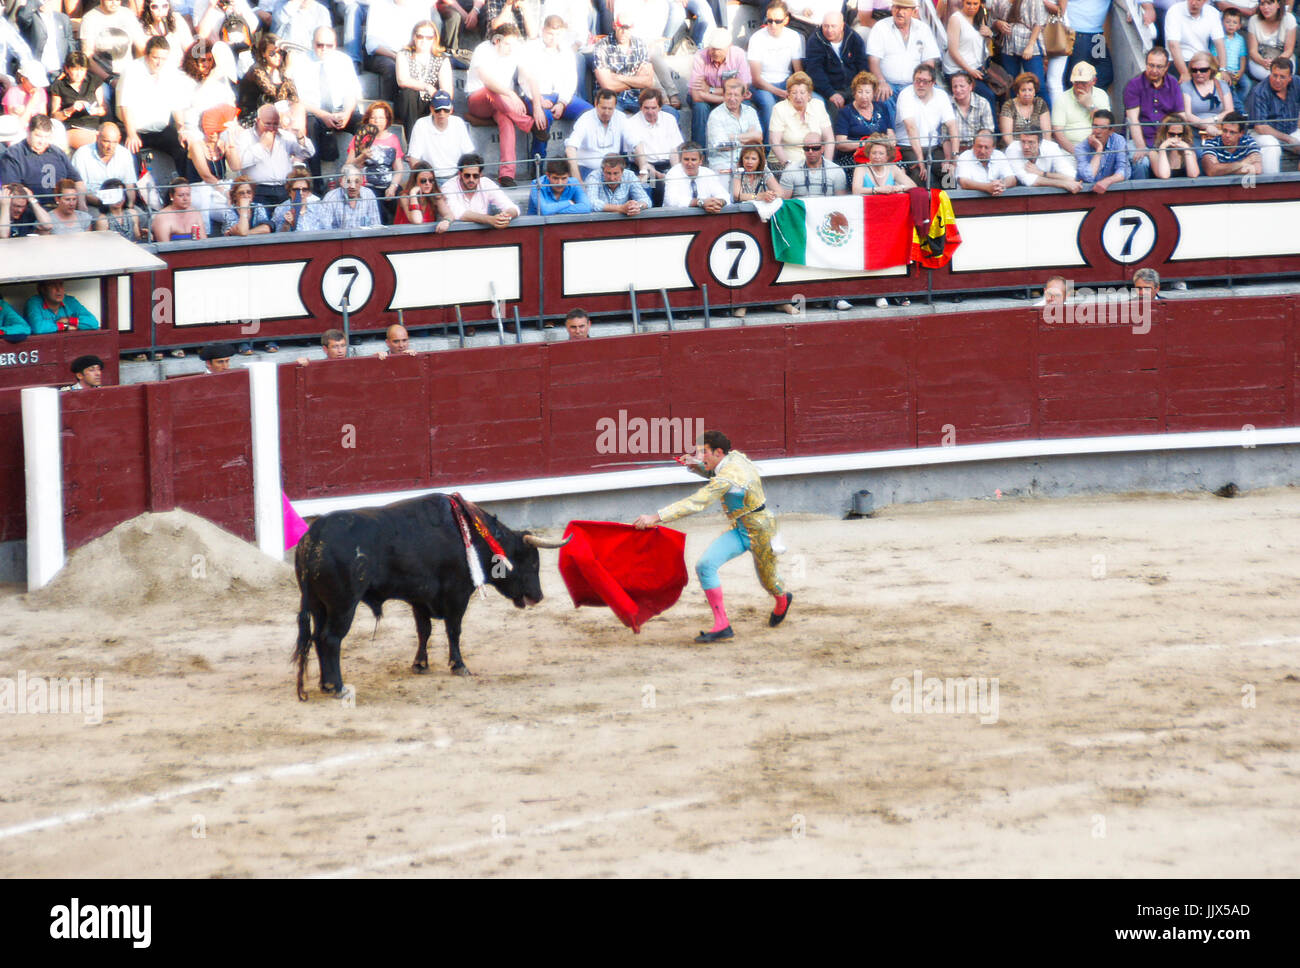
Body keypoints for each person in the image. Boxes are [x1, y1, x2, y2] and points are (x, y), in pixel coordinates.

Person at [632, 429, 792, 643]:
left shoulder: (728, 476)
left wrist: (656, 516)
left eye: (703, 452)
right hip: (740, 529)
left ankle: (782, 600)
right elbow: (716, 472)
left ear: (718, 452)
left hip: (762, 530)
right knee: (705, 565)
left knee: (770, 582)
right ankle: (722, 624)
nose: (700, 456)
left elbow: (697, 501)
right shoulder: (732, 458)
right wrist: (697, 465)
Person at [465, 24, 531, 187]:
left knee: (506, 122)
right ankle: (527, 123)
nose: (511, 48)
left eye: (513, 44)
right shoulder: (483, 49)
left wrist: (536, 102)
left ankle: (506, 175)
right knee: (491, 90)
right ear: (496, 41)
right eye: (508, 44)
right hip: (479, 99)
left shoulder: (514, 53)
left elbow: (529, 77)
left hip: (501, 104)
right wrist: (510, 94)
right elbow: (487, 81)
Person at [521, 14, 594, 161]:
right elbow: (525, 80)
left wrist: (562, 103)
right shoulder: (531, 48)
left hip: (560, 96)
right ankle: (538, 162)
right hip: (535, 96)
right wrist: (538, 101)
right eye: (550, 34)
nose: (553, 38)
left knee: (589, 113)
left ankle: (579, 156)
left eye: (558, 34)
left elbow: (570, 81)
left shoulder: (567, 52)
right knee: (544, 118)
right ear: (543, 31)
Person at [294, 27, 364, 177]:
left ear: (335, 44)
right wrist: (324, 115)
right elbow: (299, 100)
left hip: (340, 109)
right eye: (320, 45)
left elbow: (351, 93)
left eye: (329, 45)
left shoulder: (343, 60)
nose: (324, 49)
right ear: (313, 43)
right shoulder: (301, 61)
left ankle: (351, 168)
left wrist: (346, 113)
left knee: (365, 124)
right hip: (315, 112)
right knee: (310, 125)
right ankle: (316, 181)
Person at [230, 102, 316, 207]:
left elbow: (308, 153)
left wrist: (299, 136)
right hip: (258, 190)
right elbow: (240, 163)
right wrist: (262, 146)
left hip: (284, 189)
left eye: (275, 124)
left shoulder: (284, 135)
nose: (271, 128)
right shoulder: (245, 137)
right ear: (257, 121)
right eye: (268, 123)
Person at [1124, 46, 1189, 180]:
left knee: (1195, 155)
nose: (1154, 70)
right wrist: (1141, 147)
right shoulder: (1134, 85)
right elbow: (1133, 120)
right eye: (1150, 65)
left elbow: (1180, 117)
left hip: (1168, 138)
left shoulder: (1173, 84)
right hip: (1143, 138)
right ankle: (1140, 196)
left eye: (1159, 66)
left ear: (1167, 66)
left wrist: (1179, 140)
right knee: (1140, 162)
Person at [687, 28, 753, 146]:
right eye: (712, 48)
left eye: (719, 49)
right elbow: (697, 95)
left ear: (730, 46)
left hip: (712, 94)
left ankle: (743, 152)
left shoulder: (738, 55)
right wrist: (729, 96)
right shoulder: (700, 56)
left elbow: (742, 90)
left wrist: (710, 90)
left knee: (746, 107)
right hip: (706, 99)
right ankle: (699, 152)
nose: (715, 53)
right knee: (700, 107)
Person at [748, 1, 806, 137]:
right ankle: (769, 150)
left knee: (815, 100)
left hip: (786, 81)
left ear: (786, 20)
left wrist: (797, 90)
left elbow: (798, 71)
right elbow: (756, 79)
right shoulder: (757, 38)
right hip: (763, 84)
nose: (773, 25)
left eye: (777, 21)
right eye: (769, 21)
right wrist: (779, 92)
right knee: (769, 106)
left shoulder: (794, 37)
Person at [894, 63, 958, 184]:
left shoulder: (941, 95)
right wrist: (920, 159)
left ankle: (948, 202)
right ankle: (925, 203)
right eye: (918, 81)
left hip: (933, 146)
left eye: (925, 81)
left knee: (948, 174)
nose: (921, 85)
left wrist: (954, 157)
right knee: (920, 174)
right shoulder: (906, 94)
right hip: (908, 147)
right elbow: (911, 128)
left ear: (933, 83)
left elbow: (952, 126)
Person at [0, 114, 85, 205]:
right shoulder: (13, 155)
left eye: (46, 137)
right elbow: (13, 189)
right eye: (38, 136)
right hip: (30, 209)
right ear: (28, 132)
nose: (42, 142)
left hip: (61, 208)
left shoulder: (57, 153)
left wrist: (82, 204)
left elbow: (77, 180)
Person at [866, 0, 942, 101]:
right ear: (892, 9)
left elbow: (929, 61)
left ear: (913, 11)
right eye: (897, 7)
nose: (900, 12)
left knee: (940, 96)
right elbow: (873, 60)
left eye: (905, 8)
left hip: (916, 85)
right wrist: (881, 81)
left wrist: (922, 83)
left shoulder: (923, 29)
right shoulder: (880, 27)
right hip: (888, 85)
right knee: (880, 96)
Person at [344, 99, 406, 218]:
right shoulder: (360, 137)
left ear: (387, 120)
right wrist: (362, 157)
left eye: (381, 118)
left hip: (389, 184)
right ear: (368, 120)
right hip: (367, 187)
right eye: (373, 118)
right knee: (376, 207)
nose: (377, 121)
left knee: (402, 199)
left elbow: (399, 168)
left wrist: (393, 186)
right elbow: (347, 166)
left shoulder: (393, 139)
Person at [805, 10, 870, 113]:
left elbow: (862, 65)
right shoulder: (815, 41)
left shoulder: (853, 38)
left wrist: (862, 88)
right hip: (829, 89)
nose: (829, 30)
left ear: (842, 26)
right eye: (825, 26)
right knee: (835, 111)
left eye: (833, 26)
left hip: (853, 87)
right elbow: (815, 72)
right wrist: (831, 93)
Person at [593, 15, 657, 114]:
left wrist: (619, 78)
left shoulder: (640, 44)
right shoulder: (602, 46)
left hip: (637, 97)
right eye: (620, 27)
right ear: (614, 26)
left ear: (632, 28)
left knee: (670, 113)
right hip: (610, 98)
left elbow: (648, 81)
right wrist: (636, 80)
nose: (623, 32)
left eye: (627, 28)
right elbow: (607, 85)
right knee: (613, 118)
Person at [626, 87, 683, 200]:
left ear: (660, 107)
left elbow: (674, 151)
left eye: (653, 108)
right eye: (646, 108)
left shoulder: (669, 119)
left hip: (667, 165)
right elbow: (636, 156)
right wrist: (656, 173)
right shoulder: (632, 123)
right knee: (656, 187)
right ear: (641, 107)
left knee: (678, 184)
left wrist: (675, 173)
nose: (650, 112)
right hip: (646, 167)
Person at [1246, 56, 1300, 173]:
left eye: (1282, 77)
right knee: (1271, 145)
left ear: (1290, 78)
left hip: (1291, 130)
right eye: (1274, 75)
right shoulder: (1259, 92)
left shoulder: (1297, 82)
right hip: (1261, 134)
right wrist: (1288, 139)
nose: (1277, 80)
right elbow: (1260, 127)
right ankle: (1271, 185)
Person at [407, 90, 477, 180]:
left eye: (446, 110)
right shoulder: (421, 124)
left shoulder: (458, 122)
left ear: (451, 110)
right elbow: (414, 159)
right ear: (431, 109)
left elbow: (469, 154)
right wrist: (423, 181)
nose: (442, 113)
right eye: (438, 110)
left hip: (456, 177)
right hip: (430, 179)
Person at [769, 70, 833, 167]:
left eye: (802, 92)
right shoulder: (779, 108)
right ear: (789, 95)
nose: (798, 97)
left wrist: (827, 165)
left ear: (809, 94)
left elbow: (829, 138)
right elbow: (774, 142)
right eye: (794, 93)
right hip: (784, 164)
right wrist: (788, 165)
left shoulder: (818, 105)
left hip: (815, 164)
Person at [441, 151, 521, 227]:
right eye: (467, 175)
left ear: (480, 175)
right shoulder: (448, 187)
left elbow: (513, 208)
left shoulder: (486, 183)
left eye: (475, 176)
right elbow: (457, 213)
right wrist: (489, 219)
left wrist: (505, 217)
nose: (471, 180)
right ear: (460, 174)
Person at [565, 88, 630, 180]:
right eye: (603, 108)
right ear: (596, 104)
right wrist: (578, 181)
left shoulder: (621, 117)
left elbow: (635, 142)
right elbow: (570, 148)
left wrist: (644, 169)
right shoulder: (585, 119)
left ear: (615, 106)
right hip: (588, 170)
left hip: (614, 170)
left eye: (610, 109)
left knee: (646, 185)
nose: (606, 112)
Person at [47, 52, 107, 152]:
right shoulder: (59, 86)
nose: (79, 74)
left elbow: (103, 108)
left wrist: (96, 110)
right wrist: (71, 109)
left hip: (93, 126)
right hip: (73, 127)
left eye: (82, 70)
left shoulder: (94, 81)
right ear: (67, 69)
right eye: (75, 69)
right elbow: (54, 117)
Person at [832, 70, 895, 165]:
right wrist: (865, 144)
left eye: (867, 92)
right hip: (854, 156)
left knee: (900, 168)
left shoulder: (882, 107)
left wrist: (889, 143)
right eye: (860, 92)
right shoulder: (845, 112)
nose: (863, 96)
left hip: (880, 155)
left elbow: (891, 134)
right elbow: (840, 143)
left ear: (873, 93)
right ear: (854, 93)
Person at [704, 77, 762, 178]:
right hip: (724, 162)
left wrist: (734, 137)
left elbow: (759, 137)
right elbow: (722, 146)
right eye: (729, 94)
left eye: (736, 95)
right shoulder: (716, 115)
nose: (732, 98)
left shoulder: (750, 112)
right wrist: (748, 138)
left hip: (748, 161)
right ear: (724, 95)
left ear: (743, 96)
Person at [944, 0, 997, 108]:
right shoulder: (956, 19)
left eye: (975, 4)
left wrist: (989, 33)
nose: (972, 7)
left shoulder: (980, 16)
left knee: (1000, 89)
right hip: (958, 69)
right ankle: (991, 125)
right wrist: (970, 71)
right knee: (988, 95)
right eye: (968, 3)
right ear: (963, 3)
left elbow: (982, 44)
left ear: (980, 4)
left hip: (977, 67)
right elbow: (953, 51)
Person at [72, 122, 136, 208]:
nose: (110, 147)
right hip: (94, 205)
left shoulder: (125, 154)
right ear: (97, 137)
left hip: (120, 205)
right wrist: (106, 204)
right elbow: (80, 189)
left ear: (119, 139)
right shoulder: (82, 154)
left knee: (140, 216)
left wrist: (130, 206)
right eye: (106, 141)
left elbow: (129, 186)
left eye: (114, 142)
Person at [1052, 60, 1111, 153]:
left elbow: (1106, 126)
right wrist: (1077, 153)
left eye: (1083, 82)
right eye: (1076, 82)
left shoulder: (1101, 95)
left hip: (1098, 148)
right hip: (1070, 150)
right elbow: (1058, 133)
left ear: (1093, 81)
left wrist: (1090, 106)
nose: (1079, 86)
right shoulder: (1062, 99)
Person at [1164, 0, 1227, 84]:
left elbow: (1220, 43)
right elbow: (1173, 45)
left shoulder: (1213, 13)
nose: (1193, 3)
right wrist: (1184, 73)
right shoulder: (1174, 11)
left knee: (1223, 86)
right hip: (1179, 61)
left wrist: (1223, 69)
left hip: (1203, 60)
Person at [1005, 127, 1080, 190]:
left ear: (1040, 143)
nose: (1026, 147)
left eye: (1031, 142)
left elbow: (1071, 176)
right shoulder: (1013, 149)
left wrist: (1041, 173)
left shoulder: (1051, 147)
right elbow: (1029, 180)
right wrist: (1063, 183)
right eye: (1023, 142)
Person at [1075, 107, 1129, 192]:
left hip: (1112, 191)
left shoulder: (1119, 140)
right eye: (1095, 126)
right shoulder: (1081, 147)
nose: (1097, 131)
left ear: (1111, 131)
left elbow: (1123, 171)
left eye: (1103, 128)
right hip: (1086, 194)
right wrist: (1099, 150)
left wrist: (1107, 181)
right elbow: (1088, 177)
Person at [662, 141, 729, 211]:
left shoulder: (708, 173)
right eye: (686, 159)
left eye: (693, 160)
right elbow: (671, 201)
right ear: (680, 159)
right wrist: (700, 202)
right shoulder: (673, 173)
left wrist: (719, 202)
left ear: (701, 160)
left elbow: (725, 196)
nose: (689, 163)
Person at [999, 71, 1055, 148]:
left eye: (1030, 90)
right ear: (1017, 92)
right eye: (1023, 90)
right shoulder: (1008, 106)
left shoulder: (1040, 103)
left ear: (1034, 91)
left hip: (1038, 147)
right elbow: (1007, 137)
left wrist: (1040, 151)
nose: (1027, 94)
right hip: (1015, 147)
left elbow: (1046, 134)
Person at [584, 151, 651, 214]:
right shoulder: (593, 176)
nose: (612, 178)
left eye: (615, 173)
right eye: (608, 173)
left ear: (622, 172)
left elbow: (645, 200)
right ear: (602, 170)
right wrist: (620, 208)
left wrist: (638, 207)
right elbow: (591, 203)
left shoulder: (629, 175)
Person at [1199, 110, 1263, 176]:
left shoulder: (1248, 142)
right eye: (1224, 131)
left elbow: (1257, 169)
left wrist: (1220, 169)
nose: (1227, 135)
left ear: (1241, 133)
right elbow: (1211, 171)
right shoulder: (1212, 144)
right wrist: (1243, 163)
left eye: (1232, 132)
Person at [1246, 0, 1295, 84]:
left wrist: (1275, 63)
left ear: (1279, 4)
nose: (1265, 7)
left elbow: (1289, 50)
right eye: (1262, 4)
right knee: (1268, 75)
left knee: (1280, 74)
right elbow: (1252, 51)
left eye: (1269, 3)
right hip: (1260, 61)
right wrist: (1262, 62)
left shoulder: (1289, 19)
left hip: (1283, 60)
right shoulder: (1253, 20)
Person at [24, 279, 100, 332]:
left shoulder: (69, 301)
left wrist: (67, 320)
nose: (58, 289)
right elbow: (38, 328)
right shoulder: (34, 302)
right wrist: (65, 326)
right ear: (42, 289)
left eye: (60, 284)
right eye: (52, 285)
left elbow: (93, 323)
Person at [321, 163, 384, 228]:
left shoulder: (369, 194)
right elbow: (325, 228)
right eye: (348, 182)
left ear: (362, 181)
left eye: (356, 182)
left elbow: (375, 225)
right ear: (341, 181)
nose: (352, 186)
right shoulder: (330, 198)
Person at [956, 128, 1018, 193]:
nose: (982, 151)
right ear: (973, 145)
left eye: (986, 147)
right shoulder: (965, 156)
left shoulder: (999, 155)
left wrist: (1001, 186)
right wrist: (987, 187)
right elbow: (964, 182)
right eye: (979, 146)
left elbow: (1012, 179)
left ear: (993, 147)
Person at [273, 165, 332, 232]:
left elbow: (328, 231)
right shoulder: (281, 209)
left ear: (309, 191)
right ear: (289, 191)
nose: (300, 193)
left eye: (304, 189)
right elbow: (277, 238)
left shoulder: (319, 208)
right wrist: (287, 224)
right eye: (296, 190)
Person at [136, 0, 194, 68]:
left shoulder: (176, 19)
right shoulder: (141, 27)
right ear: (148, 7)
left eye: (165, 6)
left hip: (179, 69)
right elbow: (143, 54)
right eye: (155, 7)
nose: (160, 10)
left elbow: (190, 48)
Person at [396, 160, 454, 226]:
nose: (427, 183)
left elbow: (449, 214)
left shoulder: (434, 194)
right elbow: (417, 220)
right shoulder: (405, 197)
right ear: (415, 181)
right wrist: (413, 194)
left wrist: (447, 221)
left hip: (428, 234)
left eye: (431, 180)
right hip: (406, 234)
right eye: (423, 181)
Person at [948, 68, 993, 154]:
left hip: (978, 149)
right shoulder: (947, 105)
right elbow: (945, 137)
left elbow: (988, 131)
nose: (958, 90)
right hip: (954, 149)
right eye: (955, 86)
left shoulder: (982, 103)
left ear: (970, 86)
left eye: (962, 86)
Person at [530, 155, 594, 214]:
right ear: (548, 175)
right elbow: (545, 211)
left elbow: (586, 207)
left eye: (564, 178)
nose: (559, 183)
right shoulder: (536, 184)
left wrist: (553, 210)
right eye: (555, 178)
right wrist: (569, 202)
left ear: (569, 175)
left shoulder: (574, 182)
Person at [1220, 8, 1250, 107]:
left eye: (1234, 22)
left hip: (1237, 72)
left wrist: (1241, 72)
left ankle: (1235, 104)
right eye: (1228, 22)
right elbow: (1215, 57)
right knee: (1229, 85)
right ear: (1222, 23)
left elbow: (1242, 58)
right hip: (1222, 71)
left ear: (1239, 26)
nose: (1231, 25)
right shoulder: (1219, 38)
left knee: (1247, 85)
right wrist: (1223, 71)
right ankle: (1237, 109)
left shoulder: (1240, 39)